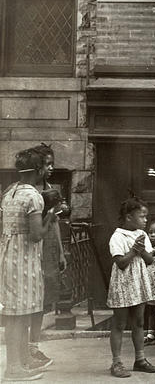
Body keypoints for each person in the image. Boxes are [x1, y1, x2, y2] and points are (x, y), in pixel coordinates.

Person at [1, 148, 61, 381]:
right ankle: (14, 368)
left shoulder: (10, 192)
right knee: (19, 318)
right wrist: (51, 217)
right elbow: (37, 235)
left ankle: (19, 364)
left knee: (14, 316)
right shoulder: (33, 196)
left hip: (8, 258)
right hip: (24, 261)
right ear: (37, 170)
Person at [107, 198, 155, 378]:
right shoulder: (118, 236)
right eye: (142, 216)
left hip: (138, 283)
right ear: (129, 217)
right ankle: (116, 362)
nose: (145, 220)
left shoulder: (142, 235)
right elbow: (121, 263)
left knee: (139, 322)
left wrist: (141, 249)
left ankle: (140, 359)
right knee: (120, 323)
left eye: (146, 216)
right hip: (122, 284)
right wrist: (134, 250)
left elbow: (150, 259)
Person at [30, 144, 66, 371]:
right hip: (35, 250)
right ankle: (29, 346)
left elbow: (56, 223)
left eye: (52, 163)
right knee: (32, 299)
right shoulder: (30, 193)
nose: (51, 168)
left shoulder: (51, 188)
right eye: (48, 164)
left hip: (50, 248)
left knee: (43, 300)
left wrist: (61, 251)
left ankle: (33, 344)